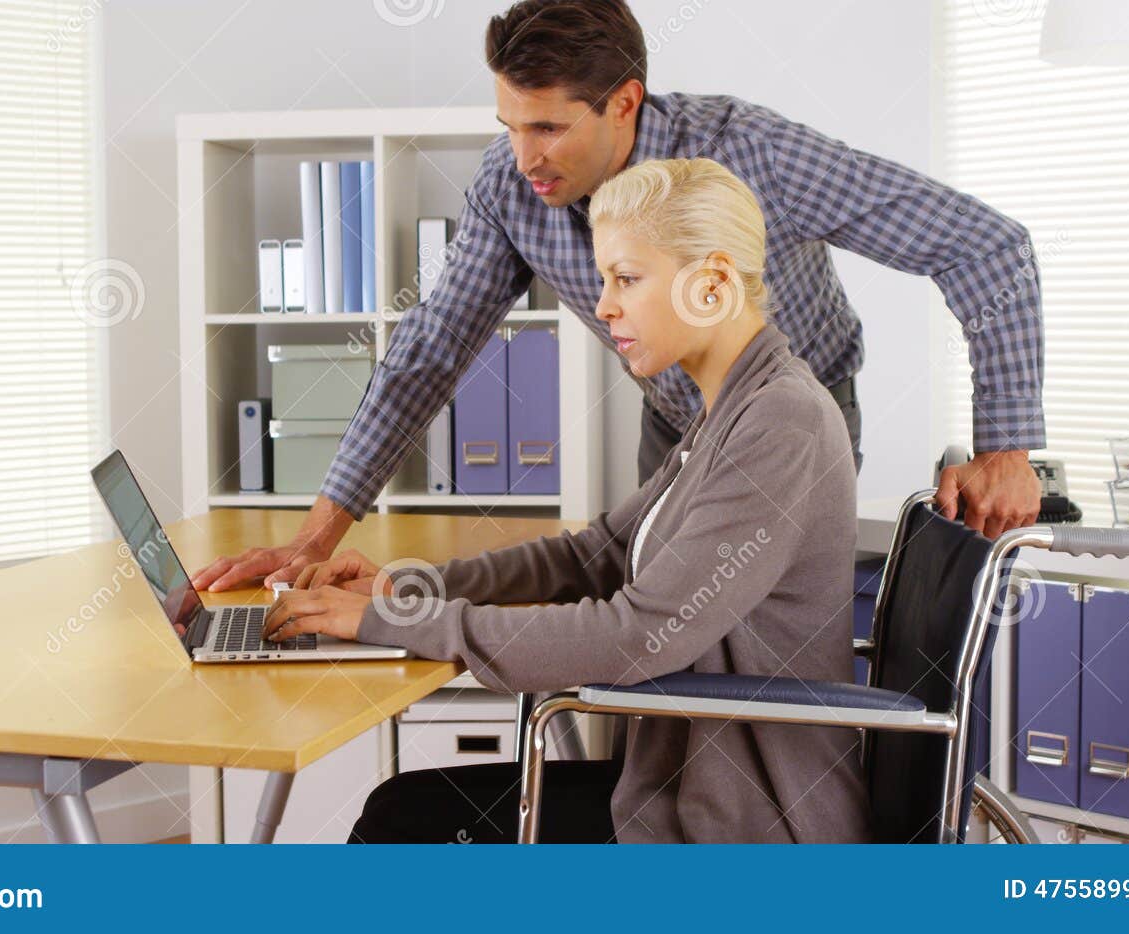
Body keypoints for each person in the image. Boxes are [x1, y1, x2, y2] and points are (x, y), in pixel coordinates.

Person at [192, 0, 1043, 596]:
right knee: (649, 610)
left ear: (625, 103)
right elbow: (428, 351)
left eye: (548, 127)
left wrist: (1006, 448)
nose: (523, 157)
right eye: (509, 126)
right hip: (677, 422)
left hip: (795, 419)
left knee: (730, 636)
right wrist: (315, 541)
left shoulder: (753, 153)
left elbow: (984, 245)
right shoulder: (513, 186)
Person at [261, 158, 871, 844]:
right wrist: (407, 590)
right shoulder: (729, 409)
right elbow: (594, 556)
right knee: (399, 808)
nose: (604, 306)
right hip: (682, 783)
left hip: (748, 820)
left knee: (399, 823)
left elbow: (636, 634)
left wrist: (394, 622)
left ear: (713, 282)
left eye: (627, 278)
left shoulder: (780, 421)